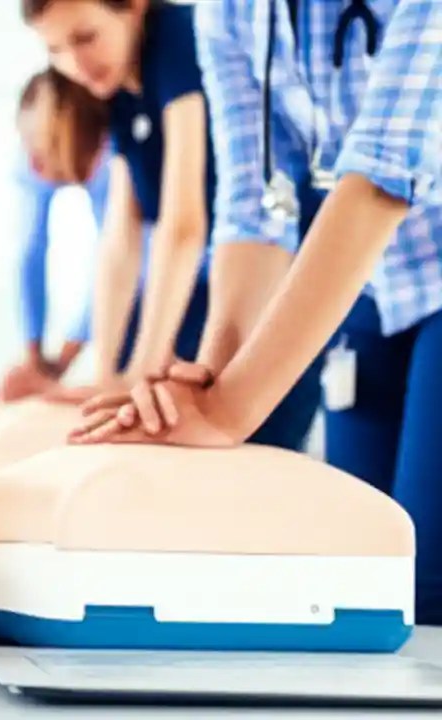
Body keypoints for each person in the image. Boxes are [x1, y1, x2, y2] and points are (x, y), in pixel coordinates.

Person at [70, 0, 442, 624]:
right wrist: (208, 376)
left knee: (427, 581)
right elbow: (255, 203)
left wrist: (228, 410)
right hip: (369, 290)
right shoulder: (232, 13)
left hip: (407, 254)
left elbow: (384, 173)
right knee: (364, 579)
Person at [22, 0, 323, 451]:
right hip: (217, 278)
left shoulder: (178, 40)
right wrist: (107, 376)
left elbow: (183, 226)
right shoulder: (118, 85)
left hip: (281, 274)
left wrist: (141, 369)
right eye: (56, 50)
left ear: (135, 8)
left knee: (242, 447)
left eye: (85, 38)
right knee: (147, 407)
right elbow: (120, 244)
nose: (76, 64)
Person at [0, 69, 111, 402]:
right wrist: (34, 353)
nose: (35, 165)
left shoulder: (109, 159)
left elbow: (129, 267)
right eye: (27, 145)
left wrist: (61, 363)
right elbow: (30, 250)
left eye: (43, 147)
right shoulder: (34, 157)